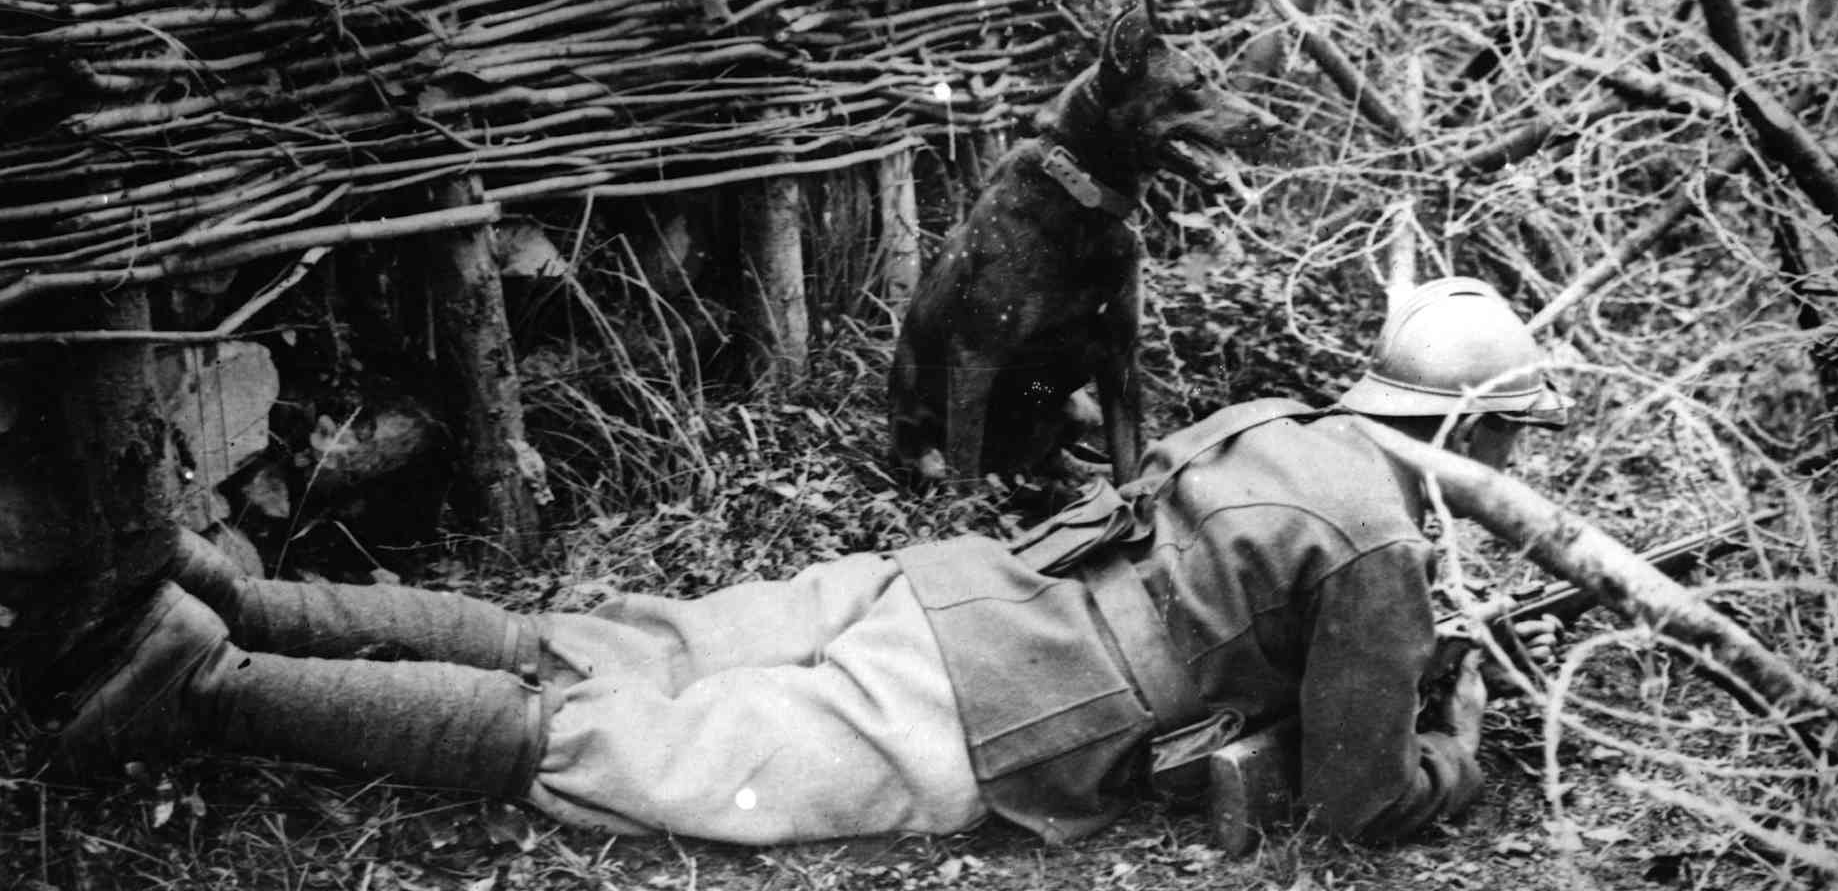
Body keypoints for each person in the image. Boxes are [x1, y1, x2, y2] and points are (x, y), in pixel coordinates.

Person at [29, 276, 1568, 848]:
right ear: (1479, 439)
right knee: (620, 745)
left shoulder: (1276, 420)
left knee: (594, 639)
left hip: (952, 588)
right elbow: (1364, 801)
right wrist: (1456, 738)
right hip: (994, 704)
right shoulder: (1382, 536)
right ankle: (211, 680)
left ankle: (242, 593)